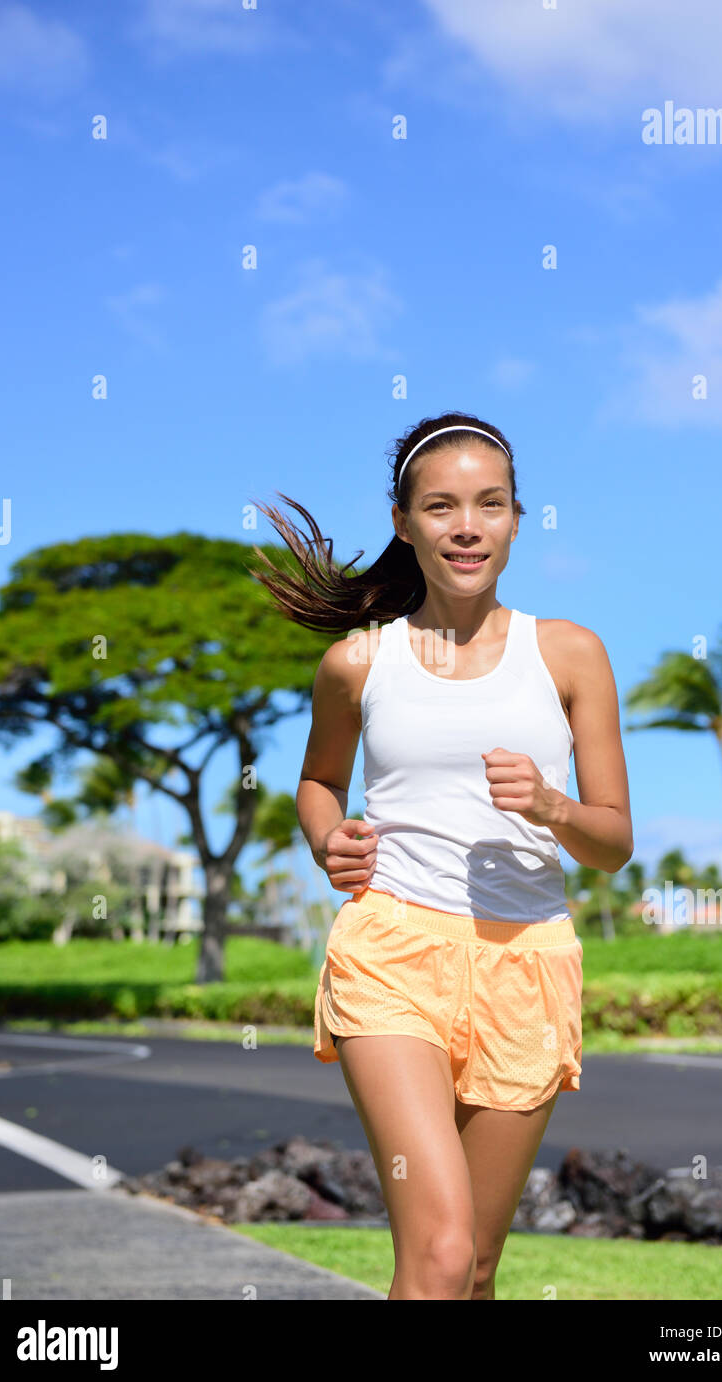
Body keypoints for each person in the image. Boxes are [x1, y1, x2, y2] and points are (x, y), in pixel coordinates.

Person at [248, 410, 633, 1299]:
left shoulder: (570, 654)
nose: (467, 526)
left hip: (526, 964)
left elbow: (612, 843)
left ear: (514, 517)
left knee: (480, 1271)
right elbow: (318, 782)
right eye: (442, 507)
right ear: (403, 521)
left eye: (489, 504)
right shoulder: (357, 662)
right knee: (439, 1254)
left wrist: (551, 805)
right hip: (392, 953)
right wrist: (325, 839)